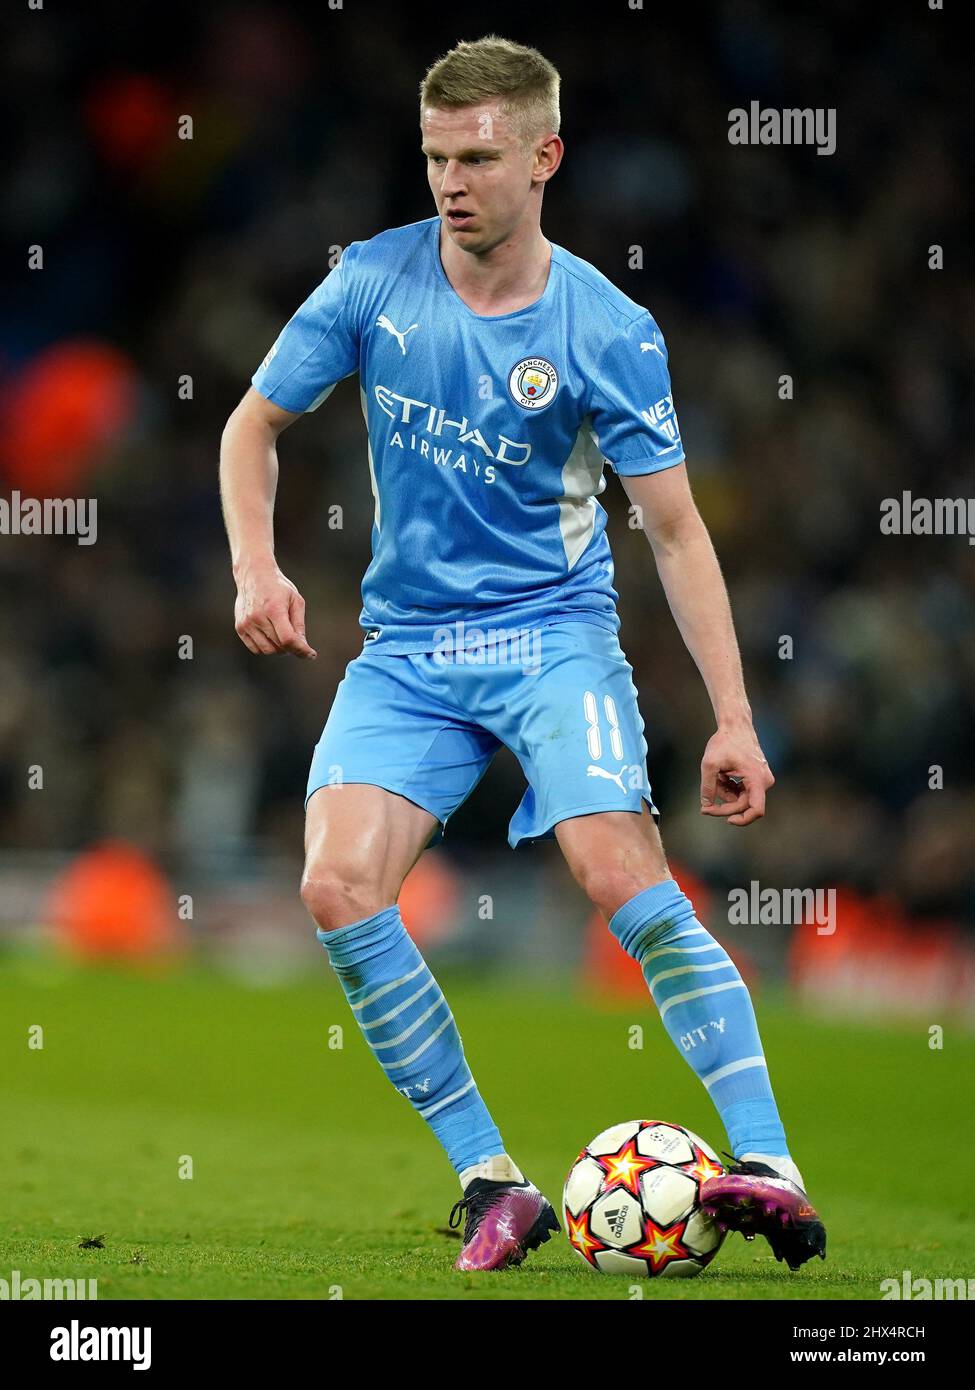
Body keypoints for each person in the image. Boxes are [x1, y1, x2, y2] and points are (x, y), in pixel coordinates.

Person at [219, 34, 826, 1274]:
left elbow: (673, 527)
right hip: (408, 651)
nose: (452, 180)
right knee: (336, 887)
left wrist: (734, 717)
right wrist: (256, 566)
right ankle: (492, 1179)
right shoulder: (370, 282)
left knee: (618, 874)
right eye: (437, 155)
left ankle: (767, 1162)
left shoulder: (608, 325)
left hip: (553, 635)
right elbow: (252, 424)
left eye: (479, 157)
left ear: (544, 157)